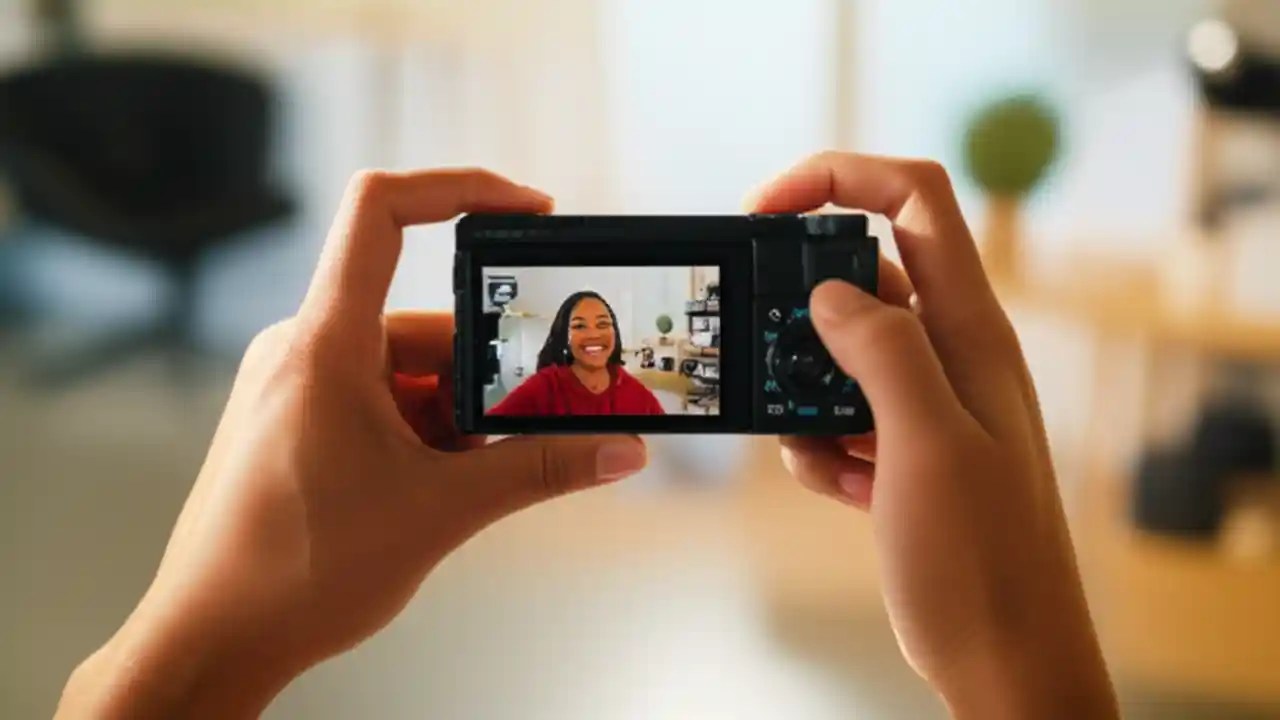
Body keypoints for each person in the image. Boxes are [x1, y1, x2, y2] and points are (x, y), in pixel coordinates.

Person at [55, 155, 1119, 719]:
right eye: (587, 318)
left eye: (611, 318)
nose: (600, 327)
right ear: (568, 327)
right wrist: (1019, 666)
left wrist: (181, 669)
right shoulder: (546, 391)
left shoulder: (647, 400)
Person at [487, 290, 665, 416]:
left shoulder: (635, 393)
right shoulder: (545, 387)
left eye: (603, 324)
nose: (594, 334)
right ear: (565, 336)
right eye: (579, 326)